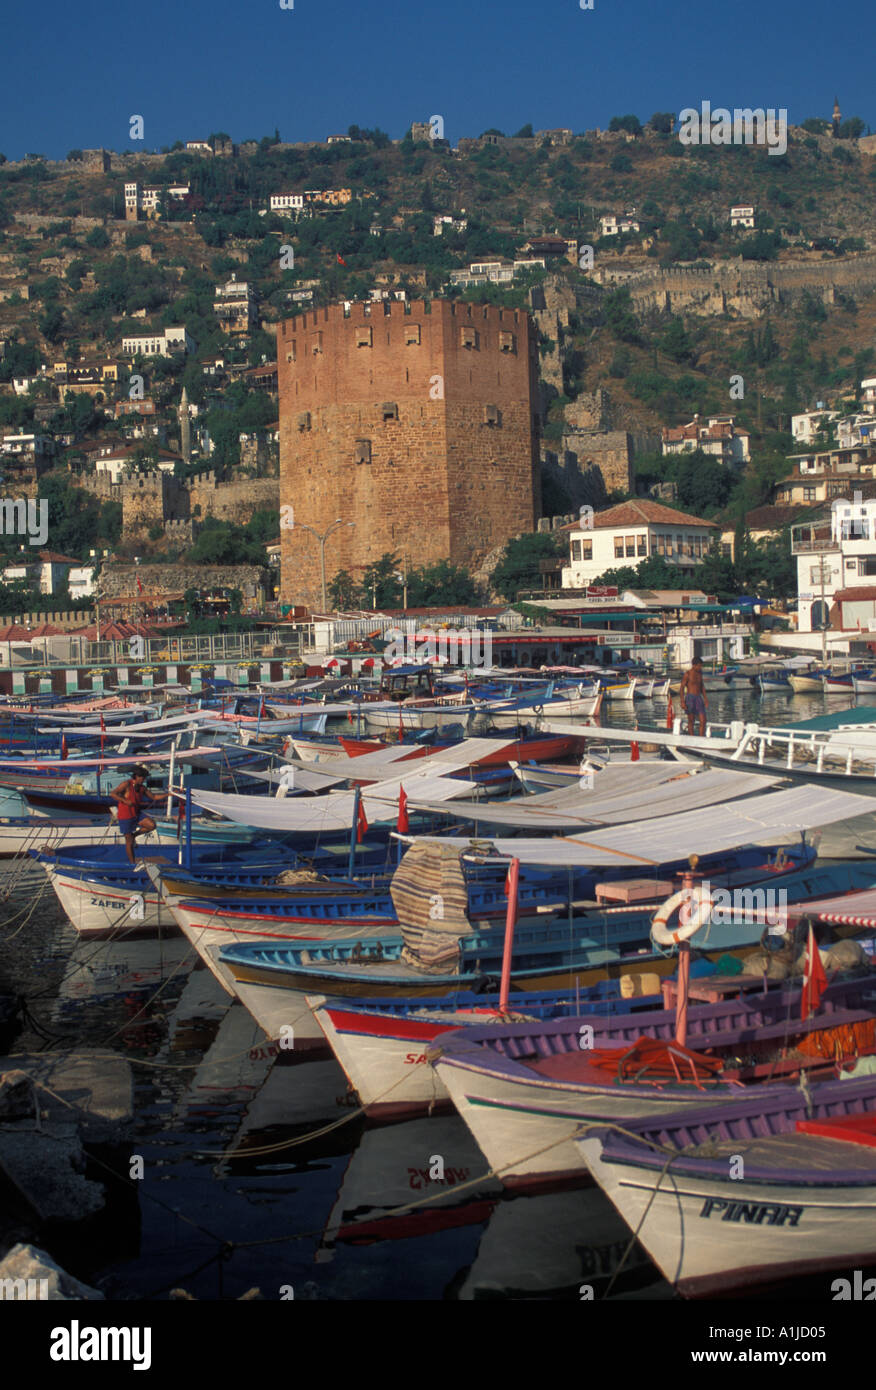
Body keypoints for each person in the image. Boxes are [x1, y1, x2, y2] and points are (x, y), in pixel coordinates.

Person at [110, 765, 157, 865]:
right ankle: (132, 865)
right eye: (143, 778)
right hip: (124, 816)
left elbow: (154, 797)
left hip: (136, 814)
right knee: (129, 842)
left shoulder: (142, 788)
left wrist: (170, 794)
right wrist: (125, 801)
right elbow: (113, 794)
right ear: (137, 777)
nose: (144, 780)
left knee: (152, 825)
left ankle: (134, 835)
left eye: (144, 778)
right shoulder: (126, 784)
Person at [680, 656, 708, 736]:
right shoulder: (687, 674)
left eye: (701, 666)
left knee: (703, 720)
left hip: (698, 698)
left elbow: (701, 686)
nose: (700, 667)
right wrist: (682, 702)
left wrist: (705, 699)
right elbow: (682, 688)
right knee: (691, 720)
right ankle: (691, 737)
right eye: (699, 666)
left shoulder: (700, 673)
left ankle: (701, 738)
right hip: (690, 698)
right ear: (694, 665)